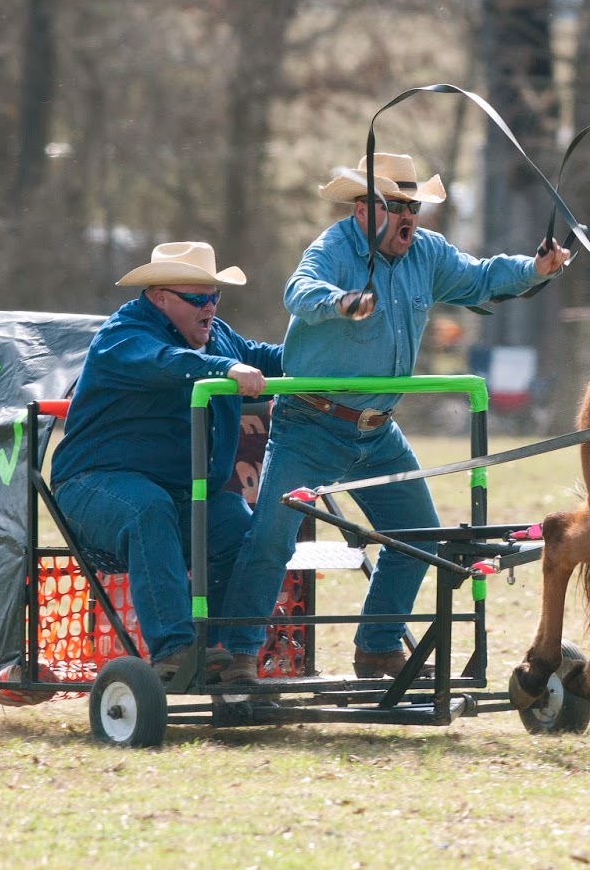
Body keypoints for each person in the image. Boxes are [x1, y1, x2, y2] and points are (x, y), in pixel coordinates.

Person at [234, 152, 570, 678]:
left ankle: (377, 646)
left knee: (418, 535)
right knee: (271, 539)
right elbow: (298, 291)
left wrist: (535, 269)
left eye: (414, 204)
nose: (410, 215)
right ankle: (235, 655)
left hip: (376, 431)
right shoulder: (333, 248)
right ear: (365, 210)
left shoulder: (427, 253)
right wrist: (340, 301)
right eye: (396, 205)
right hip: (310, 424)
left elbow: (479, 279)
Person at [51, 241, 284, 687]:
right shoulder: (124, 335)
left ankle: (233, 657)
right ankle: (176, 650)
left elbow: (268, 359)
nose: (209, 307)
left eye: (215, 297)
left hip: (183, 498)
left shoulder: (219, 337)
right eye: (197, 299)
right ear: (159, 298)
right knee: (147, 507)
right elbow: (167, 363)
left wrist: (328, 352)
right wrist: (227, 370)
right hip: (92, 489)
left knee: (242, 526)